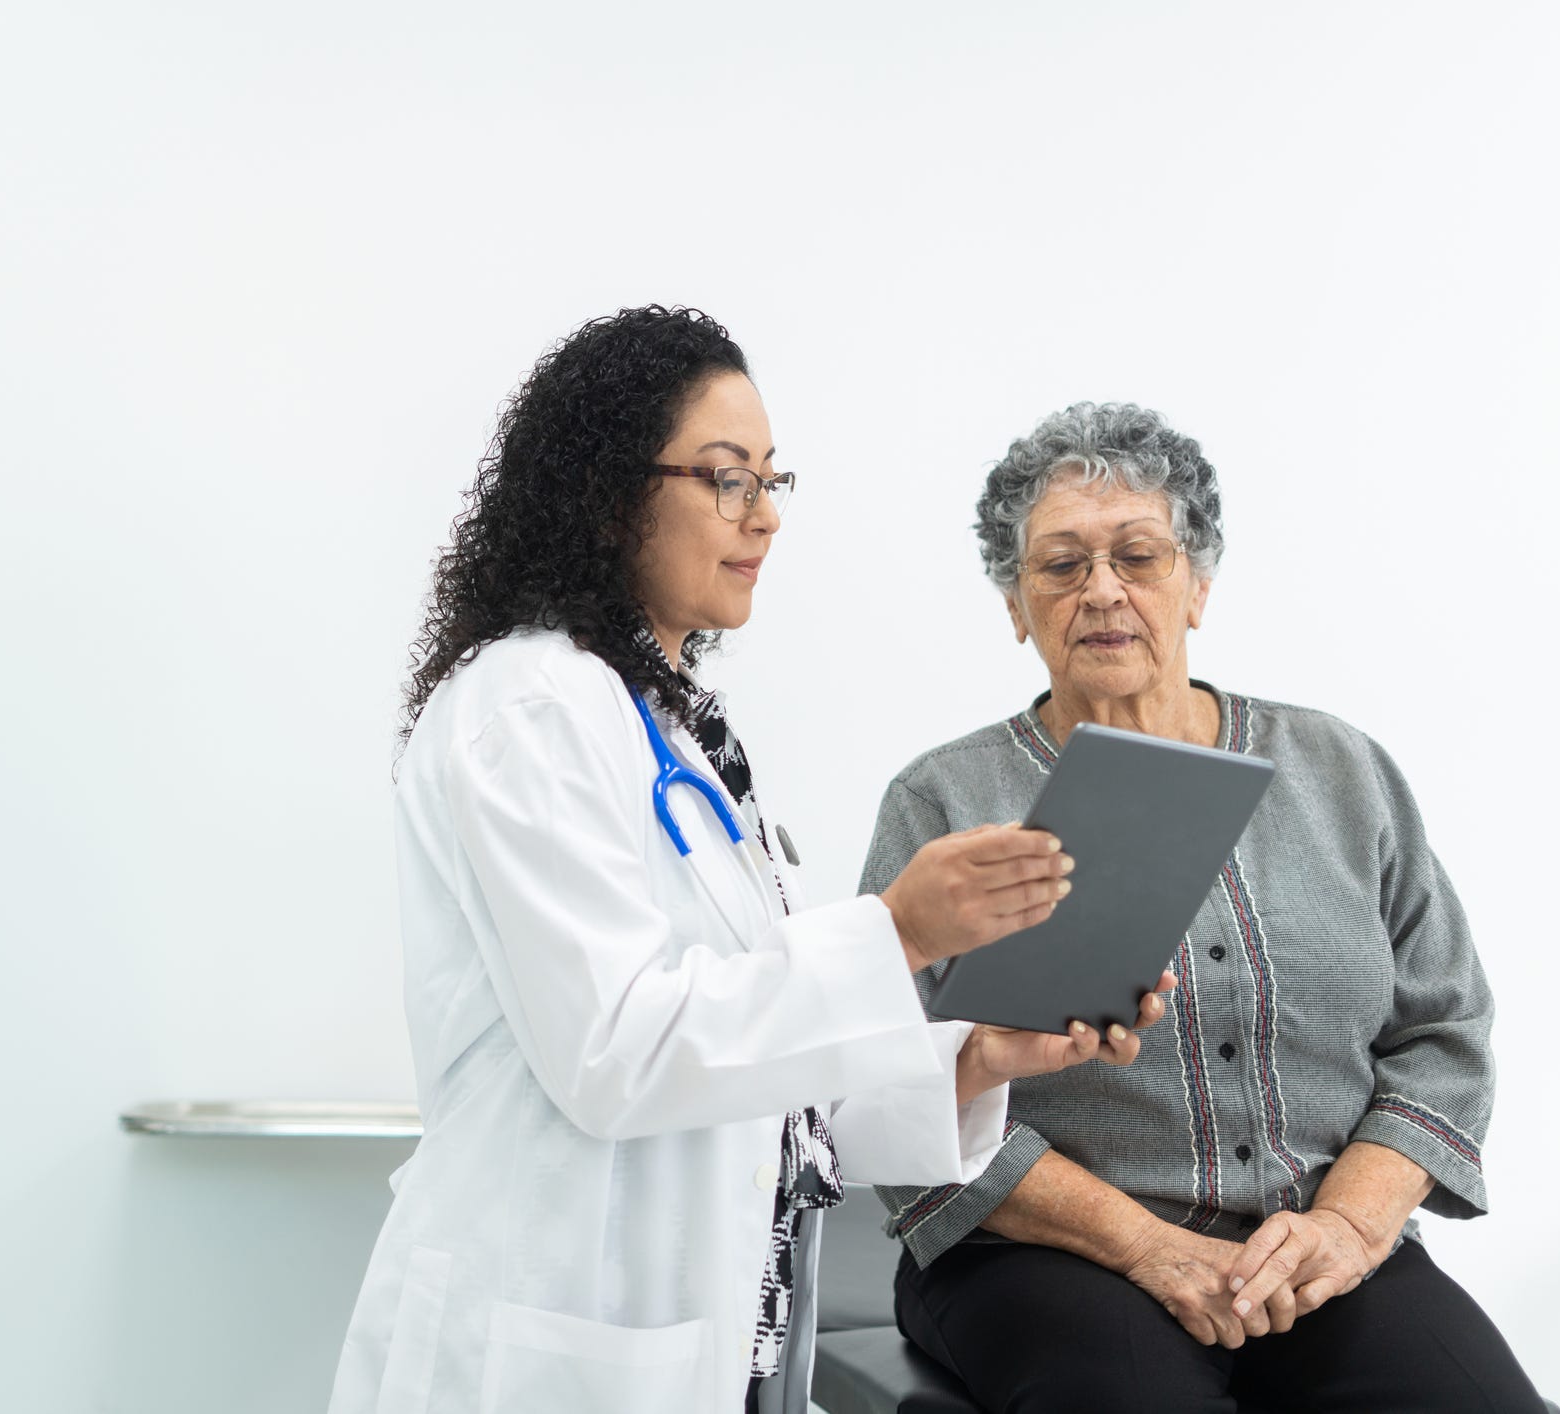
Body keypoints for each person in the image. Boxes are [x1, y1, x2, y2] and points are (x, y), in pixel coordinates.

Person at [327, 311, 1172, 1414]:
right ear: (609, 489)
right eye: (728, 479)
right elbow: (619, 1053)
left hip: (696, 1343)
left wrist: (969, 1062)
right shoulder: (529, 706)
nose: (765, 517)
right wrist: (902, 932)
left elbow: (759, 1082)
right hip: (546, 1343)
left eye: (774, 480)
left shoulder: (670, 728)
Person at [862, 402, 1547, 1412]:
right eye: (1059, 565)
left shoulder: (1340, 770)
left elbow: (1444, 1027)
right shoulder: (944, 803)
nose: (1102, 590)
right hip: (1047, 1257)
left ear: (1199, 584)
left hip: (1308, 1245)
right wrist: (1145, 1244)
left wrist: (1348, 1230)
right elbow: (893, 1089)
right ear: (1015, 603)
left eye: (1138, 555)